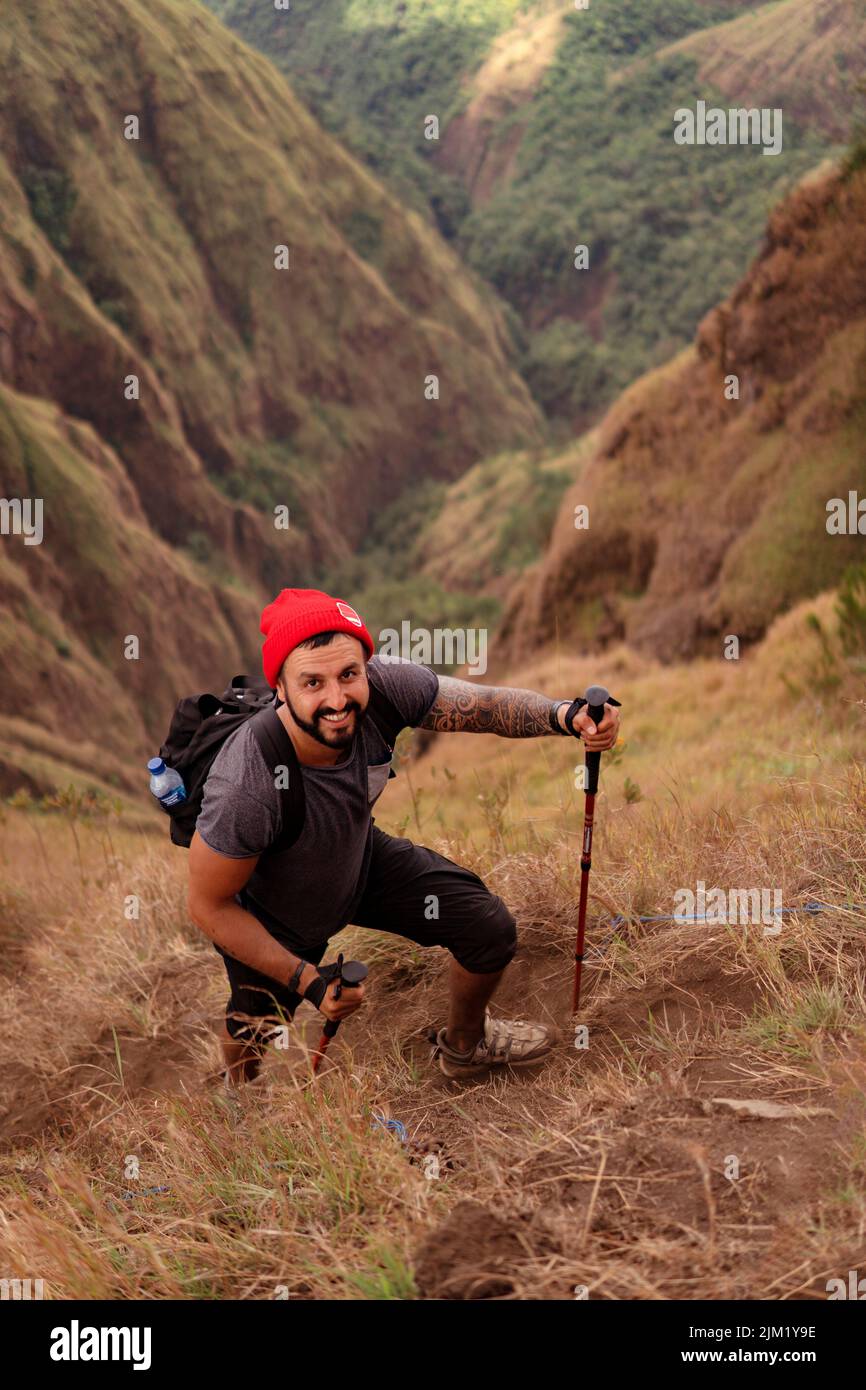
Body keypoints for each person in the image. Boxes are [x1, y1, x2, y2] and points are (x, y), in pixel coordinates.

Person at [187, 588, 621, 1085]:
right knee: (255, 1023)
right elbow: (209, 905)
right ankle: (238, 1093)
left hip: (359, 862)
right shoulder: (247, 780)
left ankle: (465, 1047)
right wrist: (309, 980)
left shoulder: (389, 688)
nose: (337, 699)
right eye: (312, 682)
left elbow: (484, 706)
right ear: (281, 690)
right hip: (276, 913)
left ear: (367, 666)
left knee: (487, 928)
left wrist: (566, 716)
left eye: (349, 674)